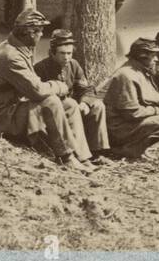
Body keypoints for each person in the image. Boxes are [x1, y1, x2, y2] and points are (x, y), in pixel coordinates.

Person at [0, 10, 96, 172]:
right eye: (40, 31)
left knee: (70, 104)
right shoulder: (12, 57)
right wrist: (59, 86)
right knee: (51, 101)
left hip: (8, 107)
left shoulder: (17, 48)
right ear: (30, 33)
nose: (41, 35)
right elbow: (36, 90)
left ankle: (82, 157)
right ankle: (66, 157)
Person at [36, 29, 110, 164]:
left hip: (73, 107)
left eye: (69, 53)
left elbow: (86, 89)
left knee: (98, 105)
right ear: (53, 52)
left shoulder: (74, 65)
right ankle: (79, 155)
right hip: (55, 114)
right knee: (71, 104)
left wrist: (85, 103)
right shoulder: (41, 68)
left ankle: (97, 153)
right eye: (62, 53)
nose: (66, 57)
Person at [105, 38, 159, 159]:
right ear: (142, 57)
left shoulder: (141, 70)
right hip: (120, 127)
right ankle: (127, 149)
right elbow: (131, 113)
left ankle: (139, 149)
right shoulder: (126, 75)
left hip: (130, 122)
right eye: (153, 56)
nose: (156, 59)